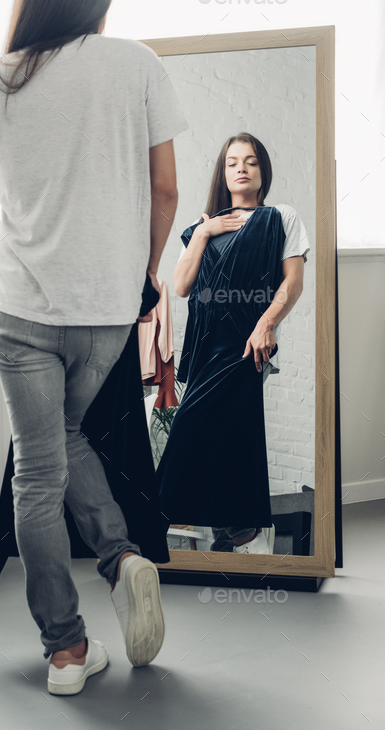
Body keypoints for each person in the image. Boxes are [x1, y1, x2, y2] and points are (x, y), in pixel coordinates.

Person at [0, 0, 189, 695]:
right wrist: (145, 276)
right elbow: (164, 191)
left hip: (21, 308)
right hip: (106, 311)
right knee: (64, 437)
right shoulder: (138, 65)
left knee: (38, 469)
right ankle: (123, 558)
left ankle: (65, 649)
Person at [156, 133, 310, 555]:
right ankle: (234, 527)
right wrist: (204, 233)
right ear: (223, 174)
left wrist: (267, 323)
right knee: (229, 431)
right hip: (205, 346)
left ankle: (154, 517)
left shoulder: (281, 217)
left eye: (251, 161)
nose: (241, 168)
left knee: (199, 428)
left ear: (262, 173)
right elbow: (183, 286)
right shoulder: (201, 225)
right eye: (232, 162)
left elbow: (292, 283)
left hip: (246, 344)